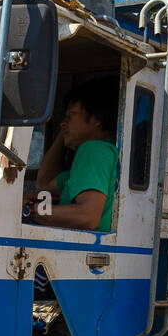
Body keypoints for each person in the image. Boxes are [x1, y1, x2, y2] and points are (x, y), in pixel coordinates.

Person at [33, 82, 120, 232]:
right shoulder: (107, 153)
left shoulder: (93, 151)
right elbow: (44, 185)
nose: (62, 124)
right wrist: (65, 132)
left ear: (97, 120)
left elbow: (87, 216)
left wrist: (31, 210)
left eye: (71, 116)